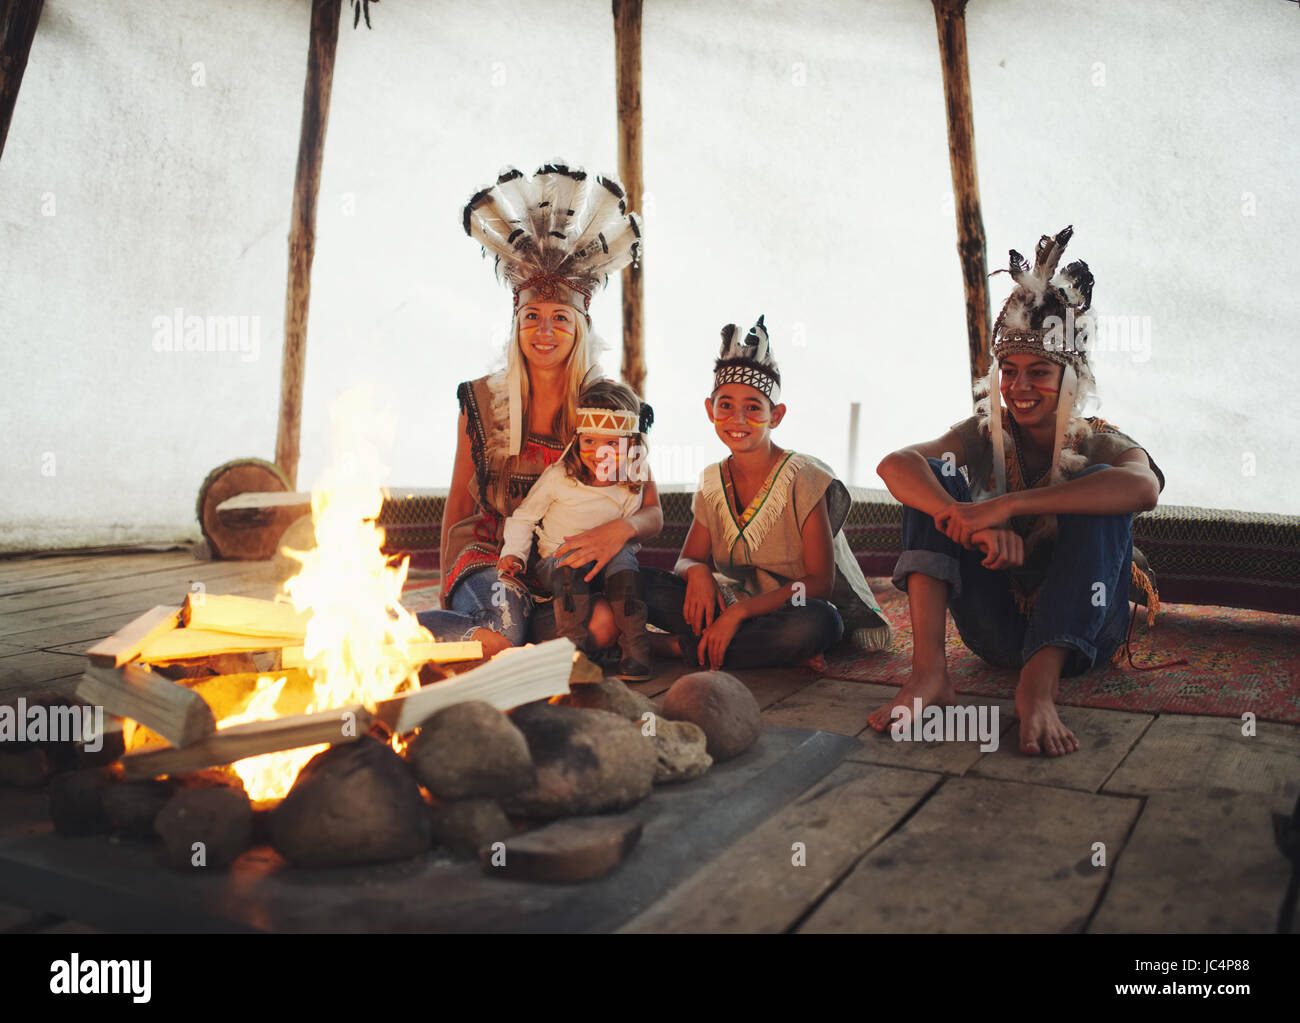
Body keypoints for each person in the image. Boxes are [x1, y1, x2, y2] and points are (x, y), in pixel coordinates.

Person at [870, 226, 1164, 756]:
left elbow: (1143, 488)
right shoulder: (984, 433)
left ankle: (1038, 687)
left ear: (1070, 378)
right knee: (931, 476)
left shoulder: (1097, 439)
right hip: (996, 631)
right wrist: (969, 517)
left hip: (1084, 636)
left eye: (1039, 372)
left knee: (1102, 492)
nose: (1021, 387)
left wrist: (1008, 505)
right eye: (1009, 371)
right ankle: (929, 674)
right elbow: (895, 465)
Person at [417, 164, 663, 657]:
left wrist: (619, 529)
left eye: (559, 319)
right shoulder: (482, 400)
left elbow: (651, 511)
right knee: (506, 624)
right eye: (532, 317)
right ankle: (381, 631)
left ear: (581, 327)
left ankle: (484, 641)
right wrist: (451, 580)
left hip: (562, 563)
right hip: (493, 559)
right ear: (516, 323)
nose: (544, 331)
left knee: (600, 629)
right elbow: (459, 506)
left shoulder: (610, 404)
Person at [643, 315, 891, 670]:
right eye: (725, 404)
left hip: (793, 609)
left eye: (753, 407)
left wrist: (739, 613)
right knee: (642, 583)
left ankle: (681, 648)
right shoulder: (713, 481)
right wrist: (697, 574)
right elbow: (687, 559)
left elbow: (819, 583)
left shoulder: (804, 476)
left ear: (776, 416)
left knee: (817, 623)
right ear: (709, 410)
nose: (737, 419)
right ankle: (747, 648)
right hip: (738, 603)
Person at [498, 379, 654, 680]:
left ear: (631, 444)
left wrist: (621, 559)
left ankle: (636, 650)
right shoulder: (560, 477)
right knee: (568, 567)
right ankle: (572, 655)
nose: (600, 453)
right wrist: (514, 554)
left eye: (612, 443)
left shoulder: (630, 484)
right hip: (559, 561)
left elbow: (632, 532)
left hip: (606, 562)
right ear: (577, 440)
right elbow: (524, 516)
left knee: (626, 567)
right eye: (590, 442)